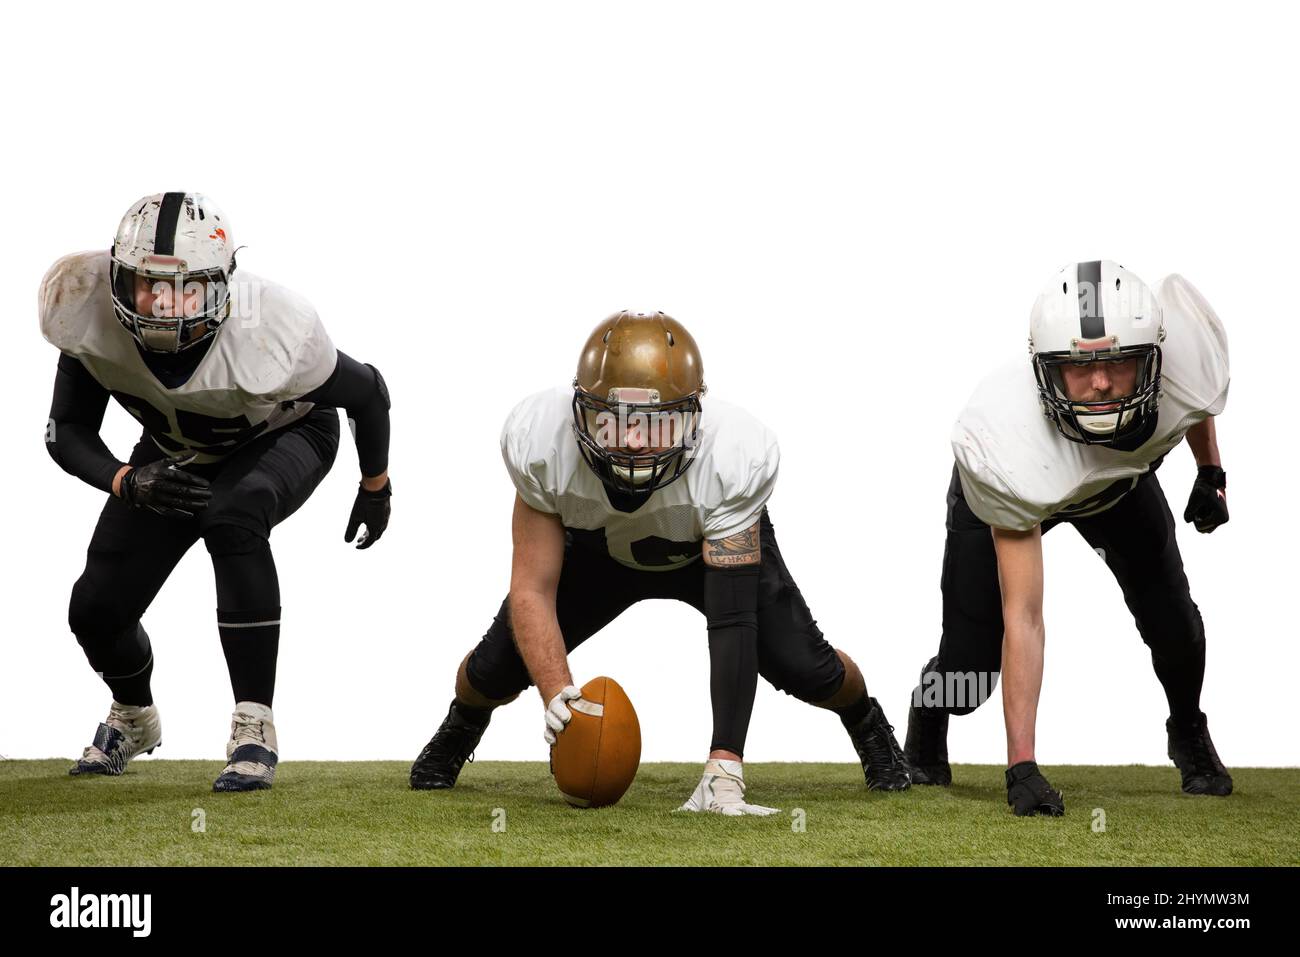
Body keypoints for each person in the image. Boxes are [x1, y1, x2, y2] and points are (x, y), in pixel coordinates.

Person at [409, 310, 910, 813]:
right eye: (613, 419)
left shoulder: (733, 456)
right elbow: (531, 589)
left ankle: (865, 721)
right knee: (493, 670)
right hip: (598, 554)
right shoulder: (542, 443)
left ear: (693, 416)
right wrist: (556, 691)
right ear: (581, 411)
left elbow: (734, 620)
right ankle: (462, 724)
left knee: (808, 669)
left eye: (653, 422)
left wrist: (725, 764)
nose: (631, 440)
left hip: (702, 552)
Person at [41, 192, 393, 792]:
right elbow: (67, 430)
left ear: (223, 287)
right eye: (147, 285)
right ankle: (134, 716)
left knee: (233, 515)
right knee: (94, 609)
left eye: (185, 289)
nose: (164, 304)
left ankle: (255, 727)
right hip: (174, 450)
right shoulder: (85, 307)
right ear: (117, 277)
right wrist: (127, 481)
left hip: (284, 430)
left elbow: (368, 392)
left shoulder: (271, 326)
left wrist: (375, 485)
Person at [903, 261, 1232, 815]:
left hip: (1117, 488)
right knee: (969, 672)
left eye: (1118, 361)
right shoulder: (1004, 443)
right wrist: (1022, 767)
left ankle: (1188, 728)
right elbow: (1024, 615)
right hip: (1021, 490)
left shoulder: (1185, 359)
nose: (1100, 383)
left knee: (1174, 620)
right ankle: (930, 708)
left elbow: (1194, 399)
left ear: (1155, 356)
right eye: (1079, 366)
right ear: (1044, 370)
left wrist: (1211, 473)